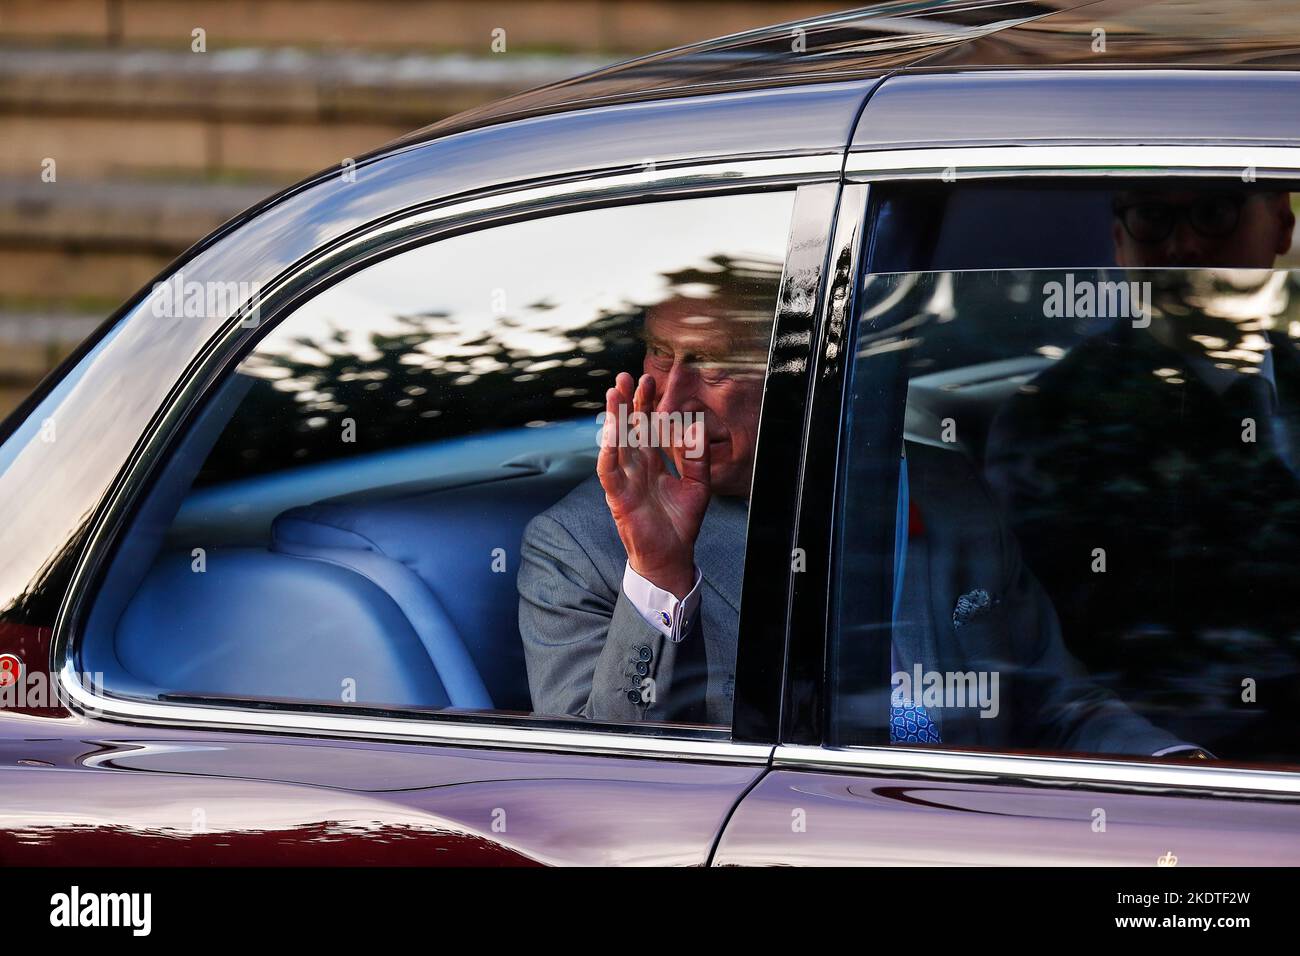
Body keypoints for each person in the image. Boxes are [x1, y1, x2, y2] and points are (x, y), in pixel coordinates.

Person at [518, 291, 1201, 756]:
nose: (672, 398)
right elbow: (603, 773)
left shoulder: (937, 486)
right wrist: (660, 573)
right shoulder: (580, 544)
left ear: (804, 374)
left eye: (717, 365)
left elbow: (1051, 697)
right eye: (659, 356)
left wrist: (1173, 768)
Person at [984, 184, 1299, 758]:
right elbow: (1061, 669)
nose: (1184, 245)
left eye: (1214, 212)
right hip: (1183, 772)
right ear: (1119, 244)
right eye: (1154, 219)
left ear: (1282, 225)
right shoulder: (1054, 422)